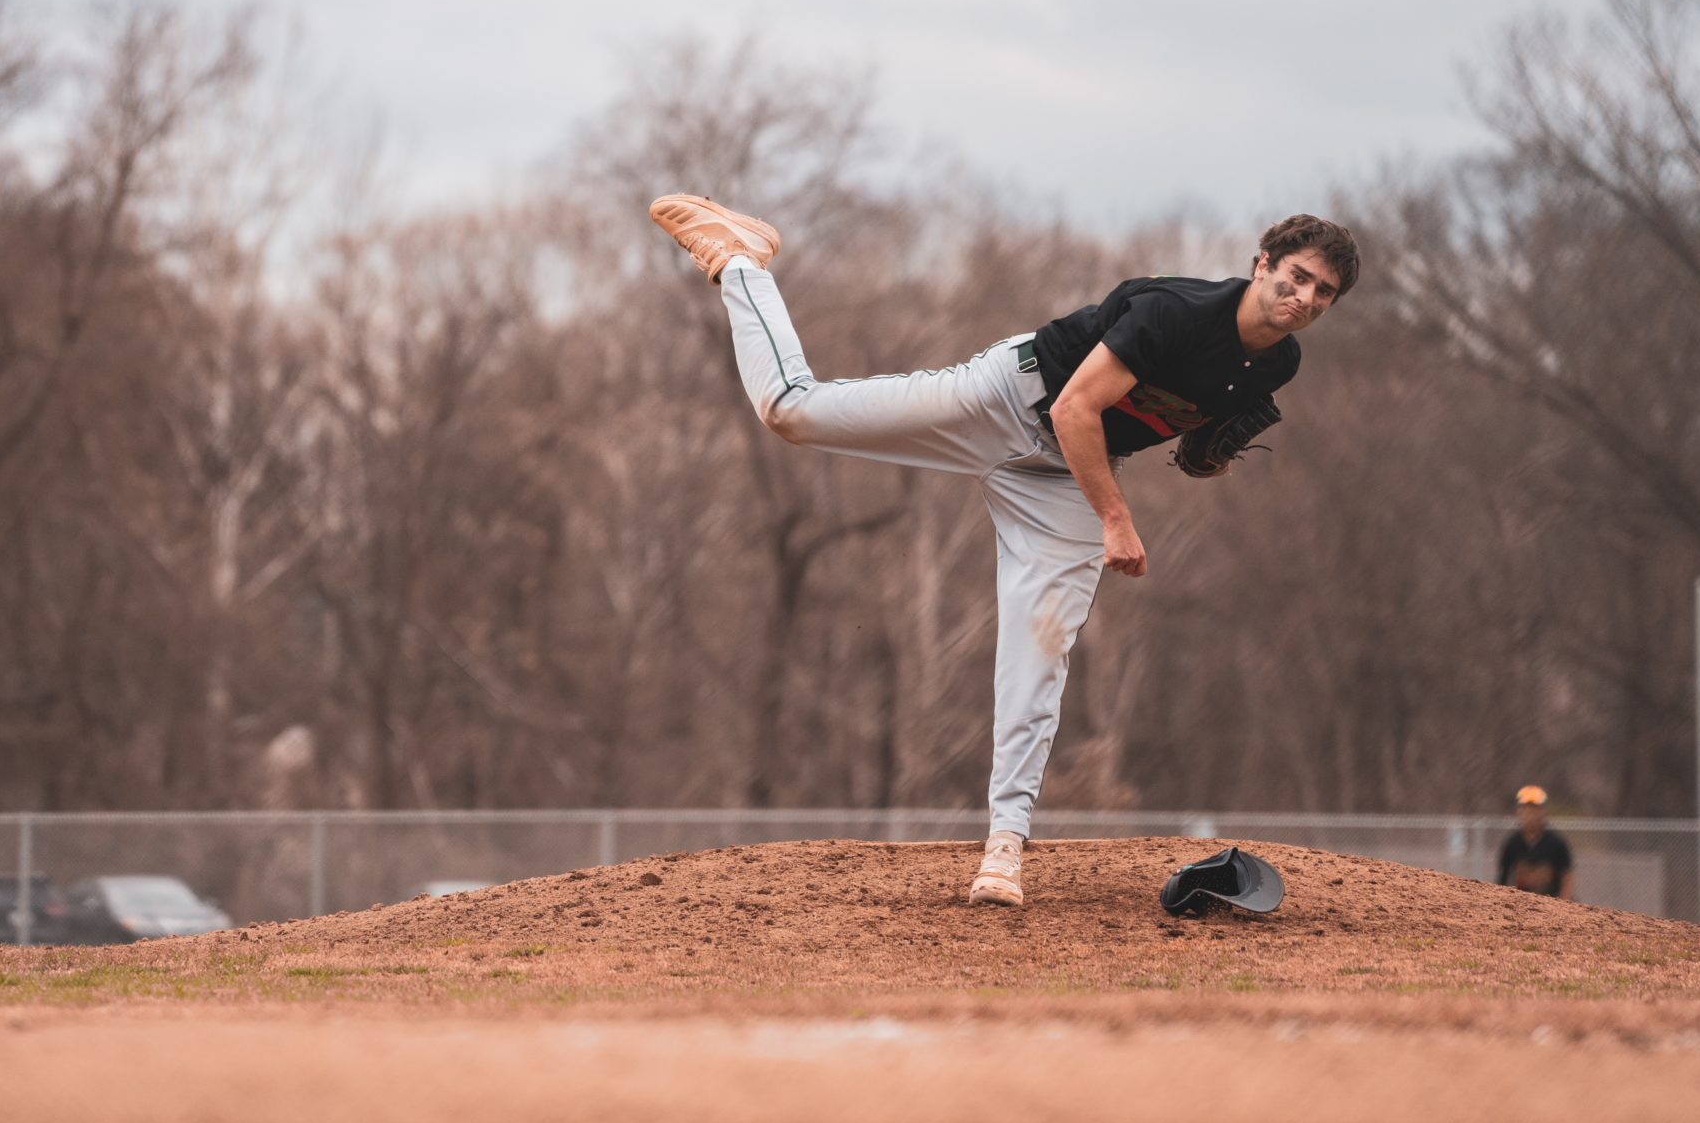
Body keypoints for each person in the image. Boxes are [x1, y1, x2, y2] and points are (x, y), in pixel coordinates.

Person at [647, 193, 1358, 907]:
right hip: (1005, 402)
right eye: (1294, 275)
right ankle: (741, 257)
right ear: (1260, 264)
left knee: (1040, 651)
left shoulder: (1278, 363)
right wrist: (1115, 517)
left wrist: (1211, 457)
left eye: (1323, 291)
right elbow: (1074, 408)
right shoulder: (1177, 311)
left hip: (1064, 478)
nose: (1303, 296)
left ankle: (1004, 849)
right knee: (792, 412)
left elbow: (1188, 434)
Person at [1496, 785, 1575, 899]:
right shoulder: (1512, 843)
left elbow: (1567, 877)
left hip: (1553, 904)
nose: (1530, 814)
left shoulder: (1556, 843)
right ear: (1519, 811)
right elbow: (1502, 879)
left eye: (1535, 809)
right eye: (1526, 808)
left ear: (1543, 811)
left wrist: (1563, 904)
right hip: (1520, 905)